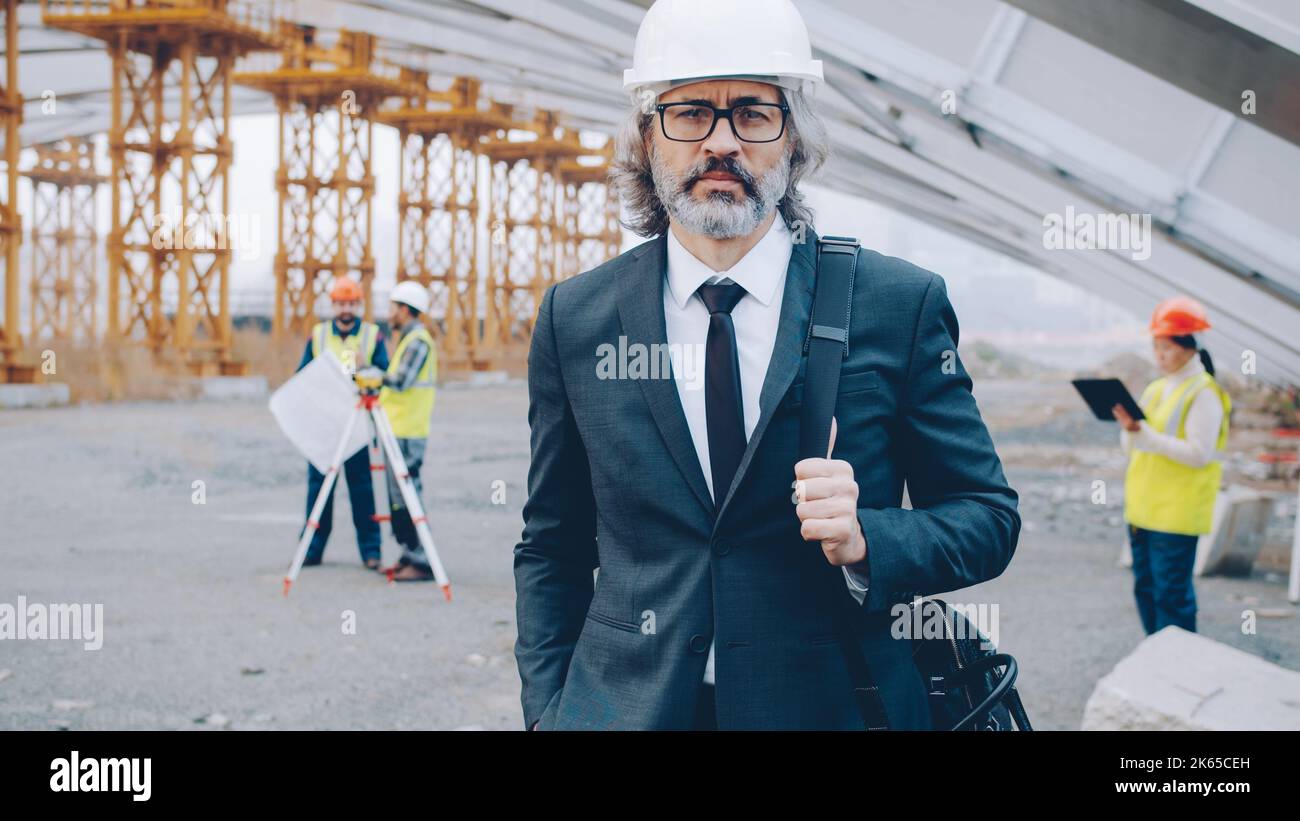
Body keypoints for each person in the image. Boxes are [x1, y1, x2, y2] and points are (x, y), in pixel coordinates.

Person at [513, 0, 1020, 730]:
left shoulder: (896, 304)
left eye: (753, 114)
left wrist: (869, 538)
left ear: (794, 140)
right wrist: (549, 713)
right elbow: (551, 545)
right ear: (648, 136)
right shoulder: (576, 318)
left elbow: (988, 517)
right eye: (690, 113)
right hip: (623, 710)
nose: (721, 143)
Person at [1112, 296, 1230, 635]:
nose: (1158, 355)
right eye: (1155, 347)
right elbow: (1134, 446)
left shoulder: (1204, 392)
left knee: (1171, 598)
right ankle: (1157, 662)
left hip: (1176, 515)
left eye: (1165, 347)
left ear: (1189, 347)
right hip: (1143, 510)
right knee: (1147, 592)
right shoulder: (1156, 388)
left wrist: (1143, 435)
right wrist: (1131, 432)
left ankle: (1179, 670)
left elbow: (1199, 453)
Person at [296, 276, 388, 569]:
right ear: (333, 306)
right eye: (340, 304)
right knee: (318, 489)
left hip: (358, 424)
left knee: (362, 489)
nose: (345, 310)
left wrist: (365, 368)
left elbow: (384, 376)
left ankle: (371, 552)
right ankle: (311, 550)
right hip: (325, 425)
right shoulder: (319, 335)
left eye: (350, 304)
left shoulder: (373, 336)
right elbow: (304, 375)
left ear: (359, 305)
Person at [377, 280, 439, 582]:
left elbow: (399, 381)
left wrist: (372, 375)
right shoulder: (408, 339)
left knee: (408, 494)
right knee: (399, 497)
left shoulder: (417, 341)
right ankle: (408, 551)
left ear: (405, 309)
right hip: (398, 428)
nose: (389, 313)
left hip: (408, 431)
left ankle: (422, 559)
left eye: (392, 307)